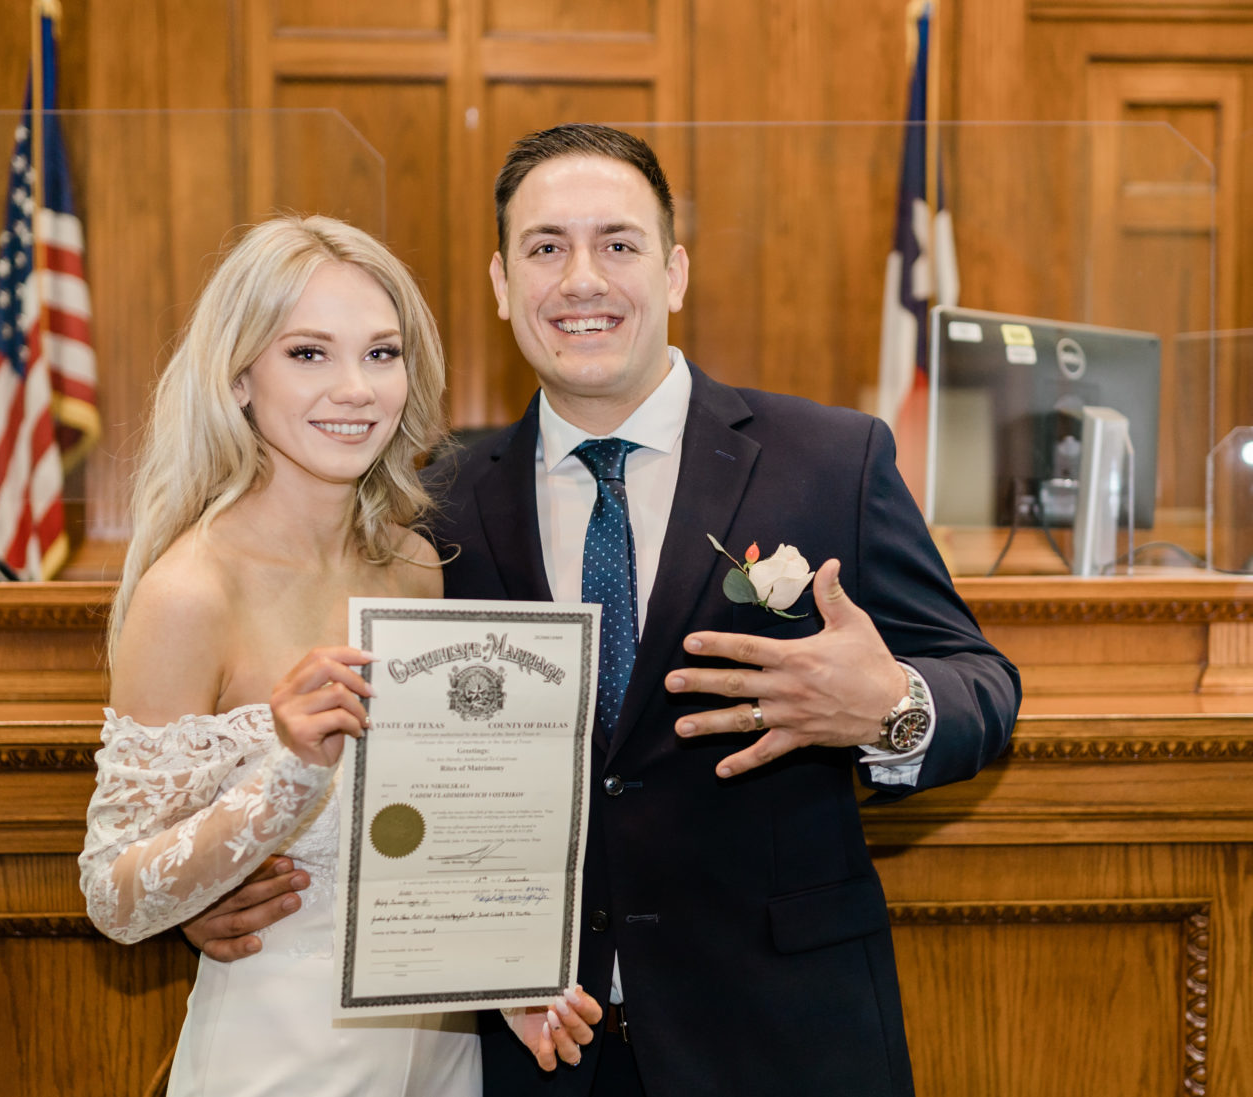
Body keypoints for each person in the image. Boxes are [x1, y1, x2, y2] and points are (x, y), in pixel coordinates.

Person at [187, 128, 1021, 1096]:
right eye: (546, 247)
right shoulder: (429, 499)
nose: (581, 277)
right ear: (503, 284)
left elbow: (981, 681)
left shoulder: (832, 457)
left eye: (617, 244)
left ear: (672, 273)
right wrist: (218, 894)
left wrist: (893, 708)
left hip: (781, 1030)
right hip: (527, 1044)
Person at [79, 214, 599, 1097]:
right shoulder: (192, 591)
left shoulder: (415, 565)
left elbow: (426, 836)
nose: (355, 388)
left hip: (438, 1046)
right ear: (240, 376)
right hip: (280, 1048)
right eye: (309, 354)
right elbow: (115, 896)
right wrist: (284, 773)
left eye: (382, 353)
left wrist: (505, 973)